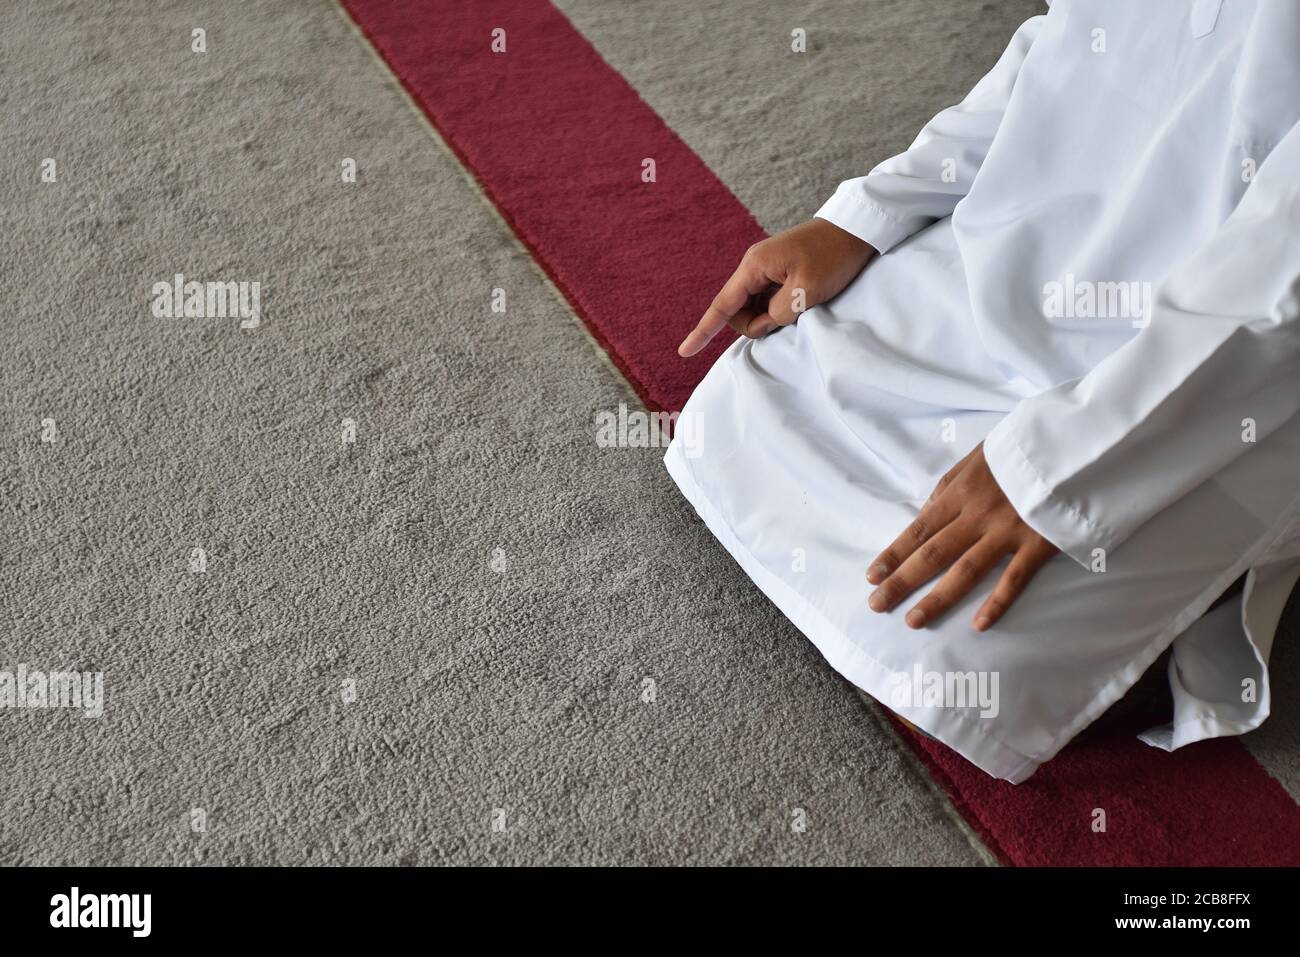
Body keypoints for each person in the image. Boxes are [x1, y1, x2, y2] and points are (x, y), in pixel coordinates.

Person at [666, 0, 1300, 781]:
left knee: (946, 659)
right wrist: (862, 218)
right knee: (736, 413)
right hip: (1038, 256)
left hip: (1234, 372)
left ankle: (1187, 604)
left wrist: (1053, 468)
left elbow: (1277, 292)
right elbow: (1063, 49)